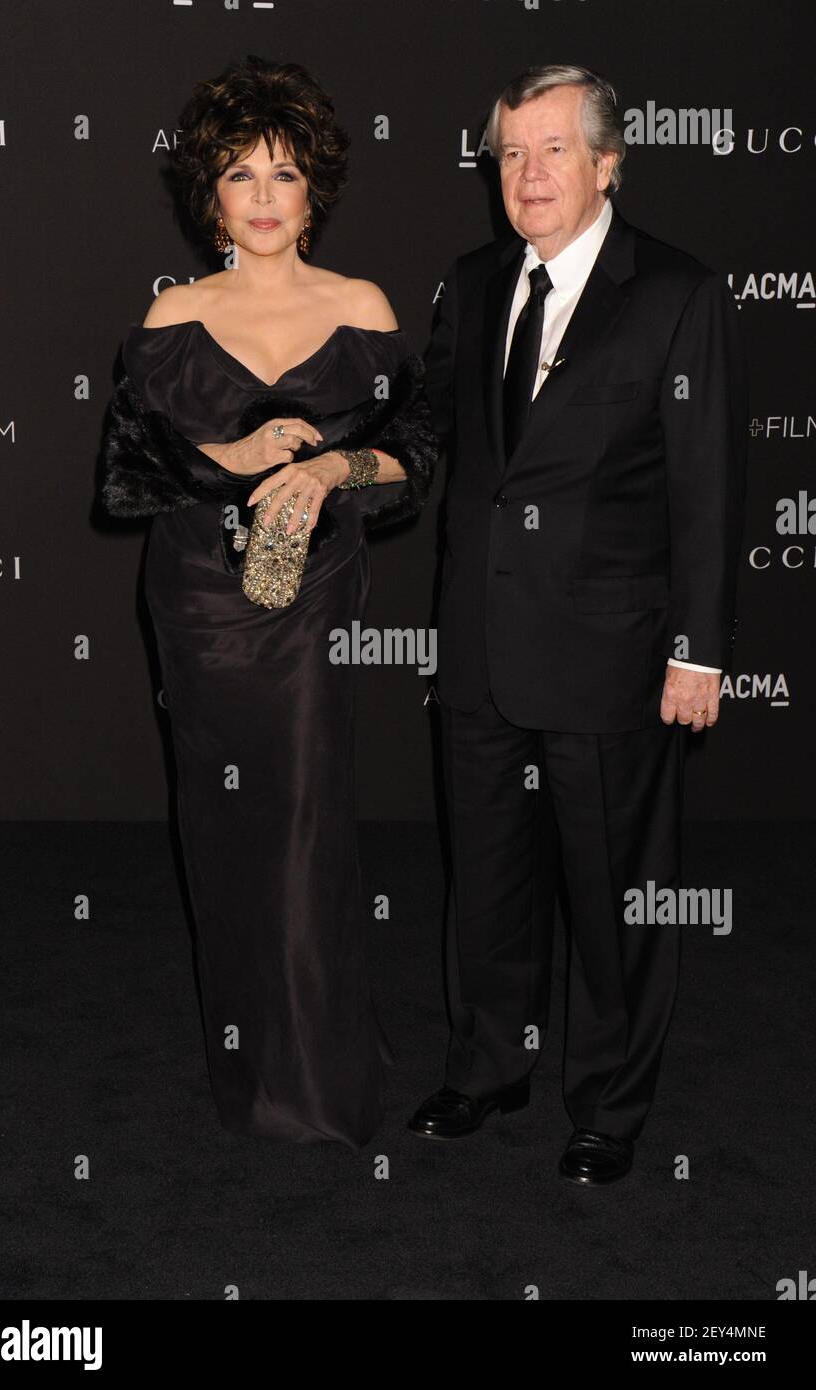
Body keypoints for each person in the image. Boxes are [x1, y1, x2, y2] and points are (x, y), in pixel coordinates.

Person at [411, 64, 748, 1183]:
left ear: (608, 163)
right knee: (487, 877)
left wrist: (697, 647)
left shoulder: (675, 293)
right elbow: (430, 454)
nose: (527, 173)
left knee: (612, 894)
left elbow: (706, 487)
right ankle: (486, 1064)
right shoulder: (468, 284)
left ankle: (607, 1100)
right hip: (478, 652)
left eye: (553, 149)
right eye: (510, 152)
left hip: (610, 651)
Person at [98, 56, 437, 1150]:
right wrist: (230, 450)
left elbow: (419, 454)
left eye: (282, 175)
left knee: (302, 817)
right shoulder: (169, 319)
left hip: (310, 599)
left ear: (313, 192)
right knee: (223, 821)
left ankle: (319, 1077)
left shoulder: (364, 309)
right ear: (209, 194)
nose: (260, 195)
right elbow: (124, 477)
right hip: (199, 598)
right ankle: (250, 1065)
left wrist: (336, 470)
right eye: (239, 174)